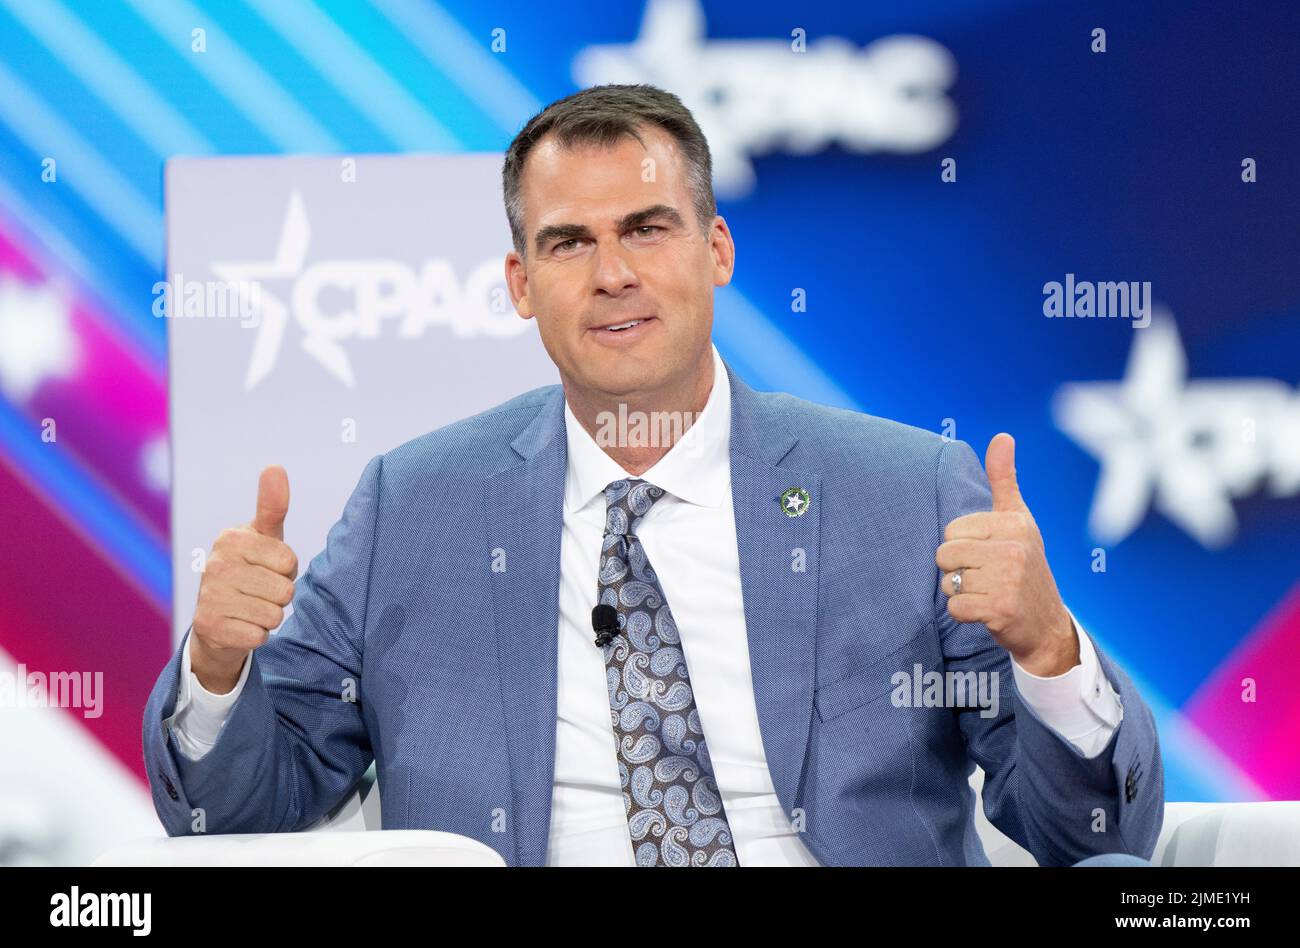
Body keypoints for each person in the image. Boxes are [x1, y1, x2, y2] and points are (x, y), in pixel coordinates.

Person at [144, 84, 1162, 866]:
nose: (612, 273)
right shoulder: (411, 506)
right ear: (519, 284)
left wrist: (1048, 651)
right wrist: (219, 669)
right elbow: (236, 818)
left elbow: (1091, 829)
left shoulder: (907, 490)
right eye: (568, 243)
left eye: (646, 227)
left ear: (715, 248)